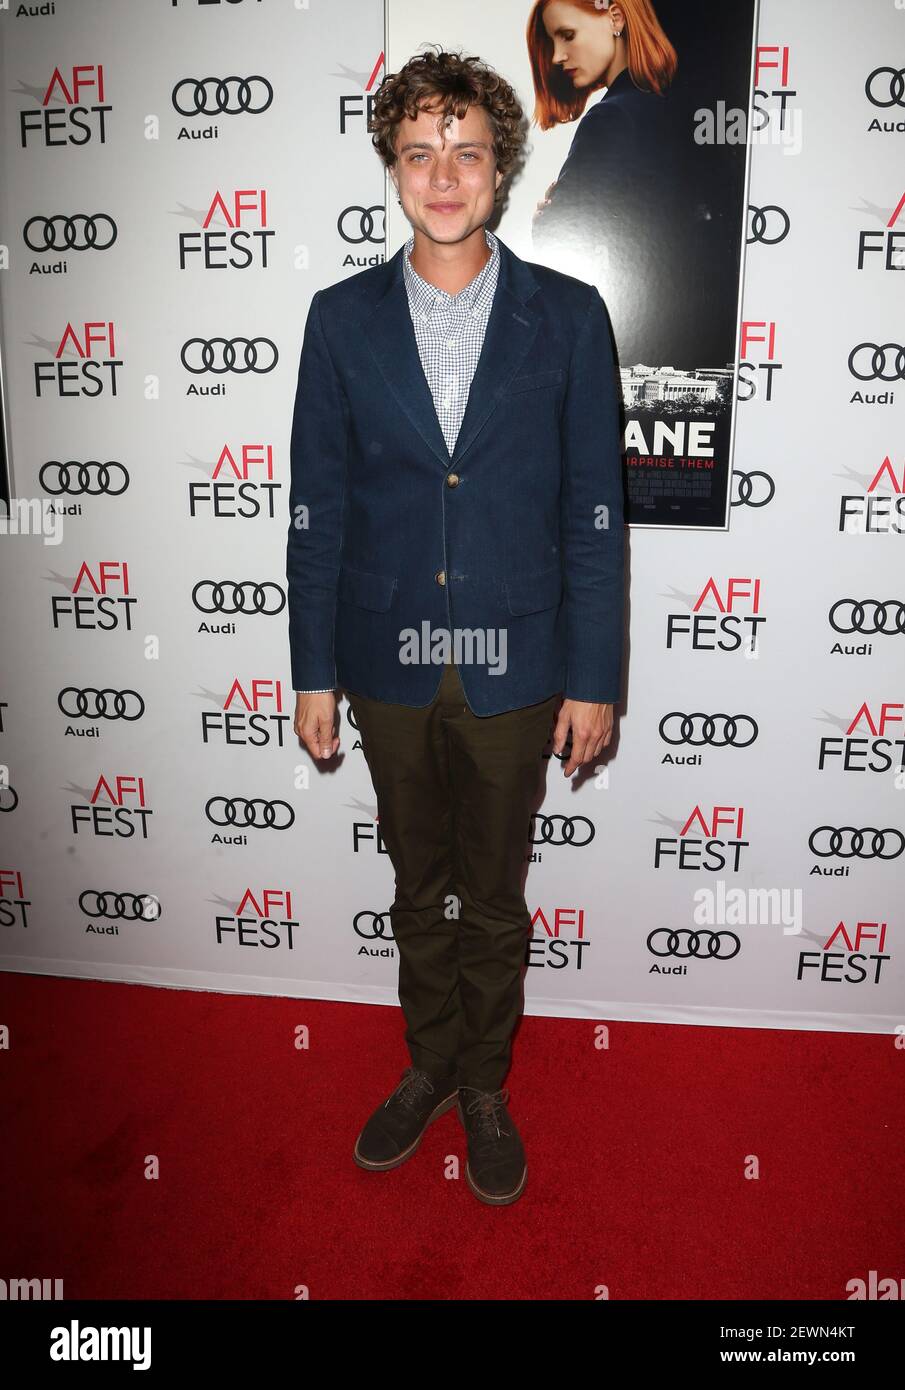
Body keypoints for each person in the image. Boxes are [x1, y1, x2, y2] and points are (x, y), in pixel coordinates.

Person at [286, 45, 624, 1206]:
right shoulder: (338, 321)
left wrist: (593, 675)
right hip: (382, 660)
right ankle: (427, 1060)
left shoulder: (570, 318)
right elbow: (316, 511)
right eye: (420, 151)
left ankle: (483, 1078)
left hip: (516, 659)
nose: (443, 174)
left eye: (466, 152)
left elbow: (593, 519)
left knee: (491, 892)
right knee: (414, 885)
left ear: (499, 169)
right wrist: (310, 671)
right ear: (391, 165)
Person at [528, 0, 734, 370]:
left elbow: (563, 239)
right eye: (551, 41)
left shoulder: (612, 118)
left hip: (635, 346)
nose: (557, 56)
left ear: (616, 18)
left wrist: (546, 222)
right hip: (702, 336)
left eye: (567, 35)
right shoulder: (683, 109)